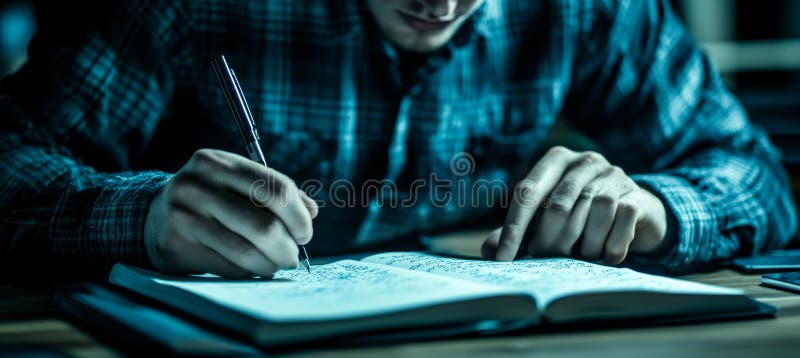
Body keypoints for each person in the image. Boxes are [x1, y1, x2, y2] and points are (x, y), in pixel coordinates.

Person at [0, 0, 795, 280]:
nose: (442, 3)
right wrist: (141, 216)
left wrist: (655, 205)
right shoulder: (191, 5)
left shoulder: (584, 7)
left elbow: (756, 174)